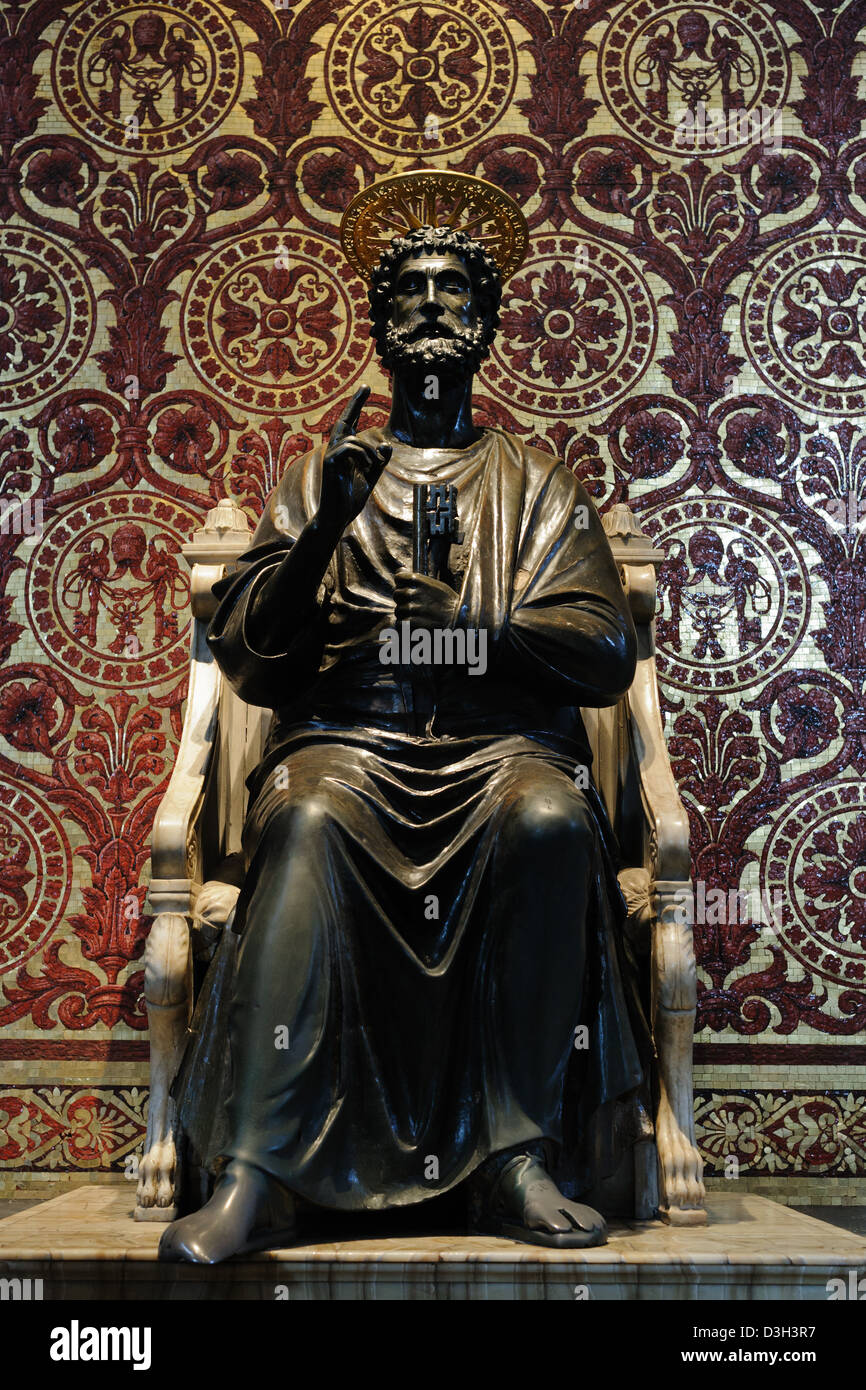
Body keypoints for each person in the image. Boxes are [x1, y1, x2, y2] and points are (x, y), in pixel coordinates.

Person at [159, 180, 650, 1264]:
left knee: (547, 823)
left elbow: (603, 652)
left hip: (501, 752)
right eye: (409, 293)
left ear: (484, 324)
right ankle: (255, 1168)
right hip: (349, 750)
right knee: (306, 826)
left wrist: (469, 633)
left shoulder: (534, 481)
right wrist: (329, 520)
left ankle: (517, 1155)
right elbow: (249, 655)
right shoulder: (318, 479)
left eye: (452, 291)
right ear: (379, 328)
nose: (430, 307)